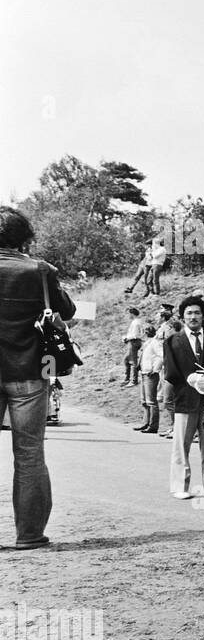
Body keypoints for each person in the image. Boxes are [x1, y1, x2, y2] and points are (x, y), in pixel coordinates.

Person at [0, 205, 76, 549]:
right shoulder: (38, 271)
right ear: (23, 236)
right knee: (29, 453)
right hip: (30, 371)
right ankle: (29, 534)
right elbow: (69, 311)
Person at [163, 295, 204, 499]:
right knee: (181, 445)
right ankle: (180, 486)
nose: (193, 317)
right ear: (183, 317)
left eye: (197, 313)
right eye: (189, 313)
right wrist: (192, 380)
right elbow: (171, 372)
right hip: (185, 399)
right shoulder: (173, 341)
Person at [157, 319, 182, 439]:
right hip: (167, 373)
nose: (164, 331)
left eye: (167, 328)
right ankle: (173, 427)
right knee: (168, 401)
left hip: (174, 376)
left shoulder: (178, 341)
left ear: (172, 328)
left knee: (169, 401)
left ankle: (177, 428)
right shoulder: (168, 341)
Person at [136, 324, 163, 433]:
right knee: (144, 400)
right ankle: (146, 422)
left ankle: (153, 425)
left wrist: (155, 369)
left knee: (151, 401)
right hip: (144, 372)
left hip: (150, 373)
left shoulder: (155, 343)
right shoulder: (147, 343)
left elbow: (162, 356)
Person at [121, 307, 145, 385]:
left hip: (133, 342)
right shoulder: (138, 321)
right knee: (126, 360)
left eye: (129, 314)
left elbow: (135, 335)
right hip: (135, 342)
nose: (128, 316)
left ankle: (134, 380)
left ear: (132, 314)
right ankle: (127, 378)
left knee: (133, 361)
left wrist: (126, 338)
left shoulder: (135, 323)